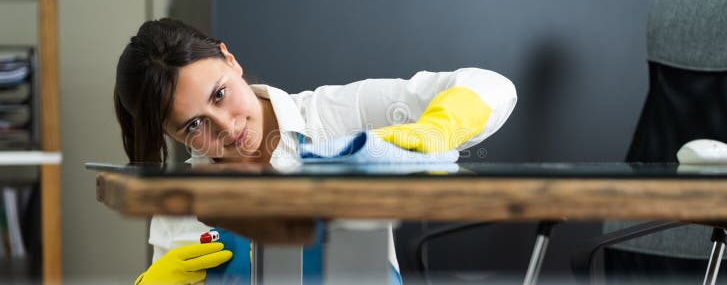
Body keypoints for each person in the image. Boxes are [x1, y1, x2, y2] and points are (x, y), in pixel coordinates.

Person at [114, 18, 517, 285]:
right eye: (193, 125)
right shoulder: (183, 200)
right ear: (173, 135)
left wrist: (437, 129)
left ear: (230, 60)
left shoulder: (337, 115)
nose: (226, 126)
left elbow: (492, 86)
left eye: (219, 95)